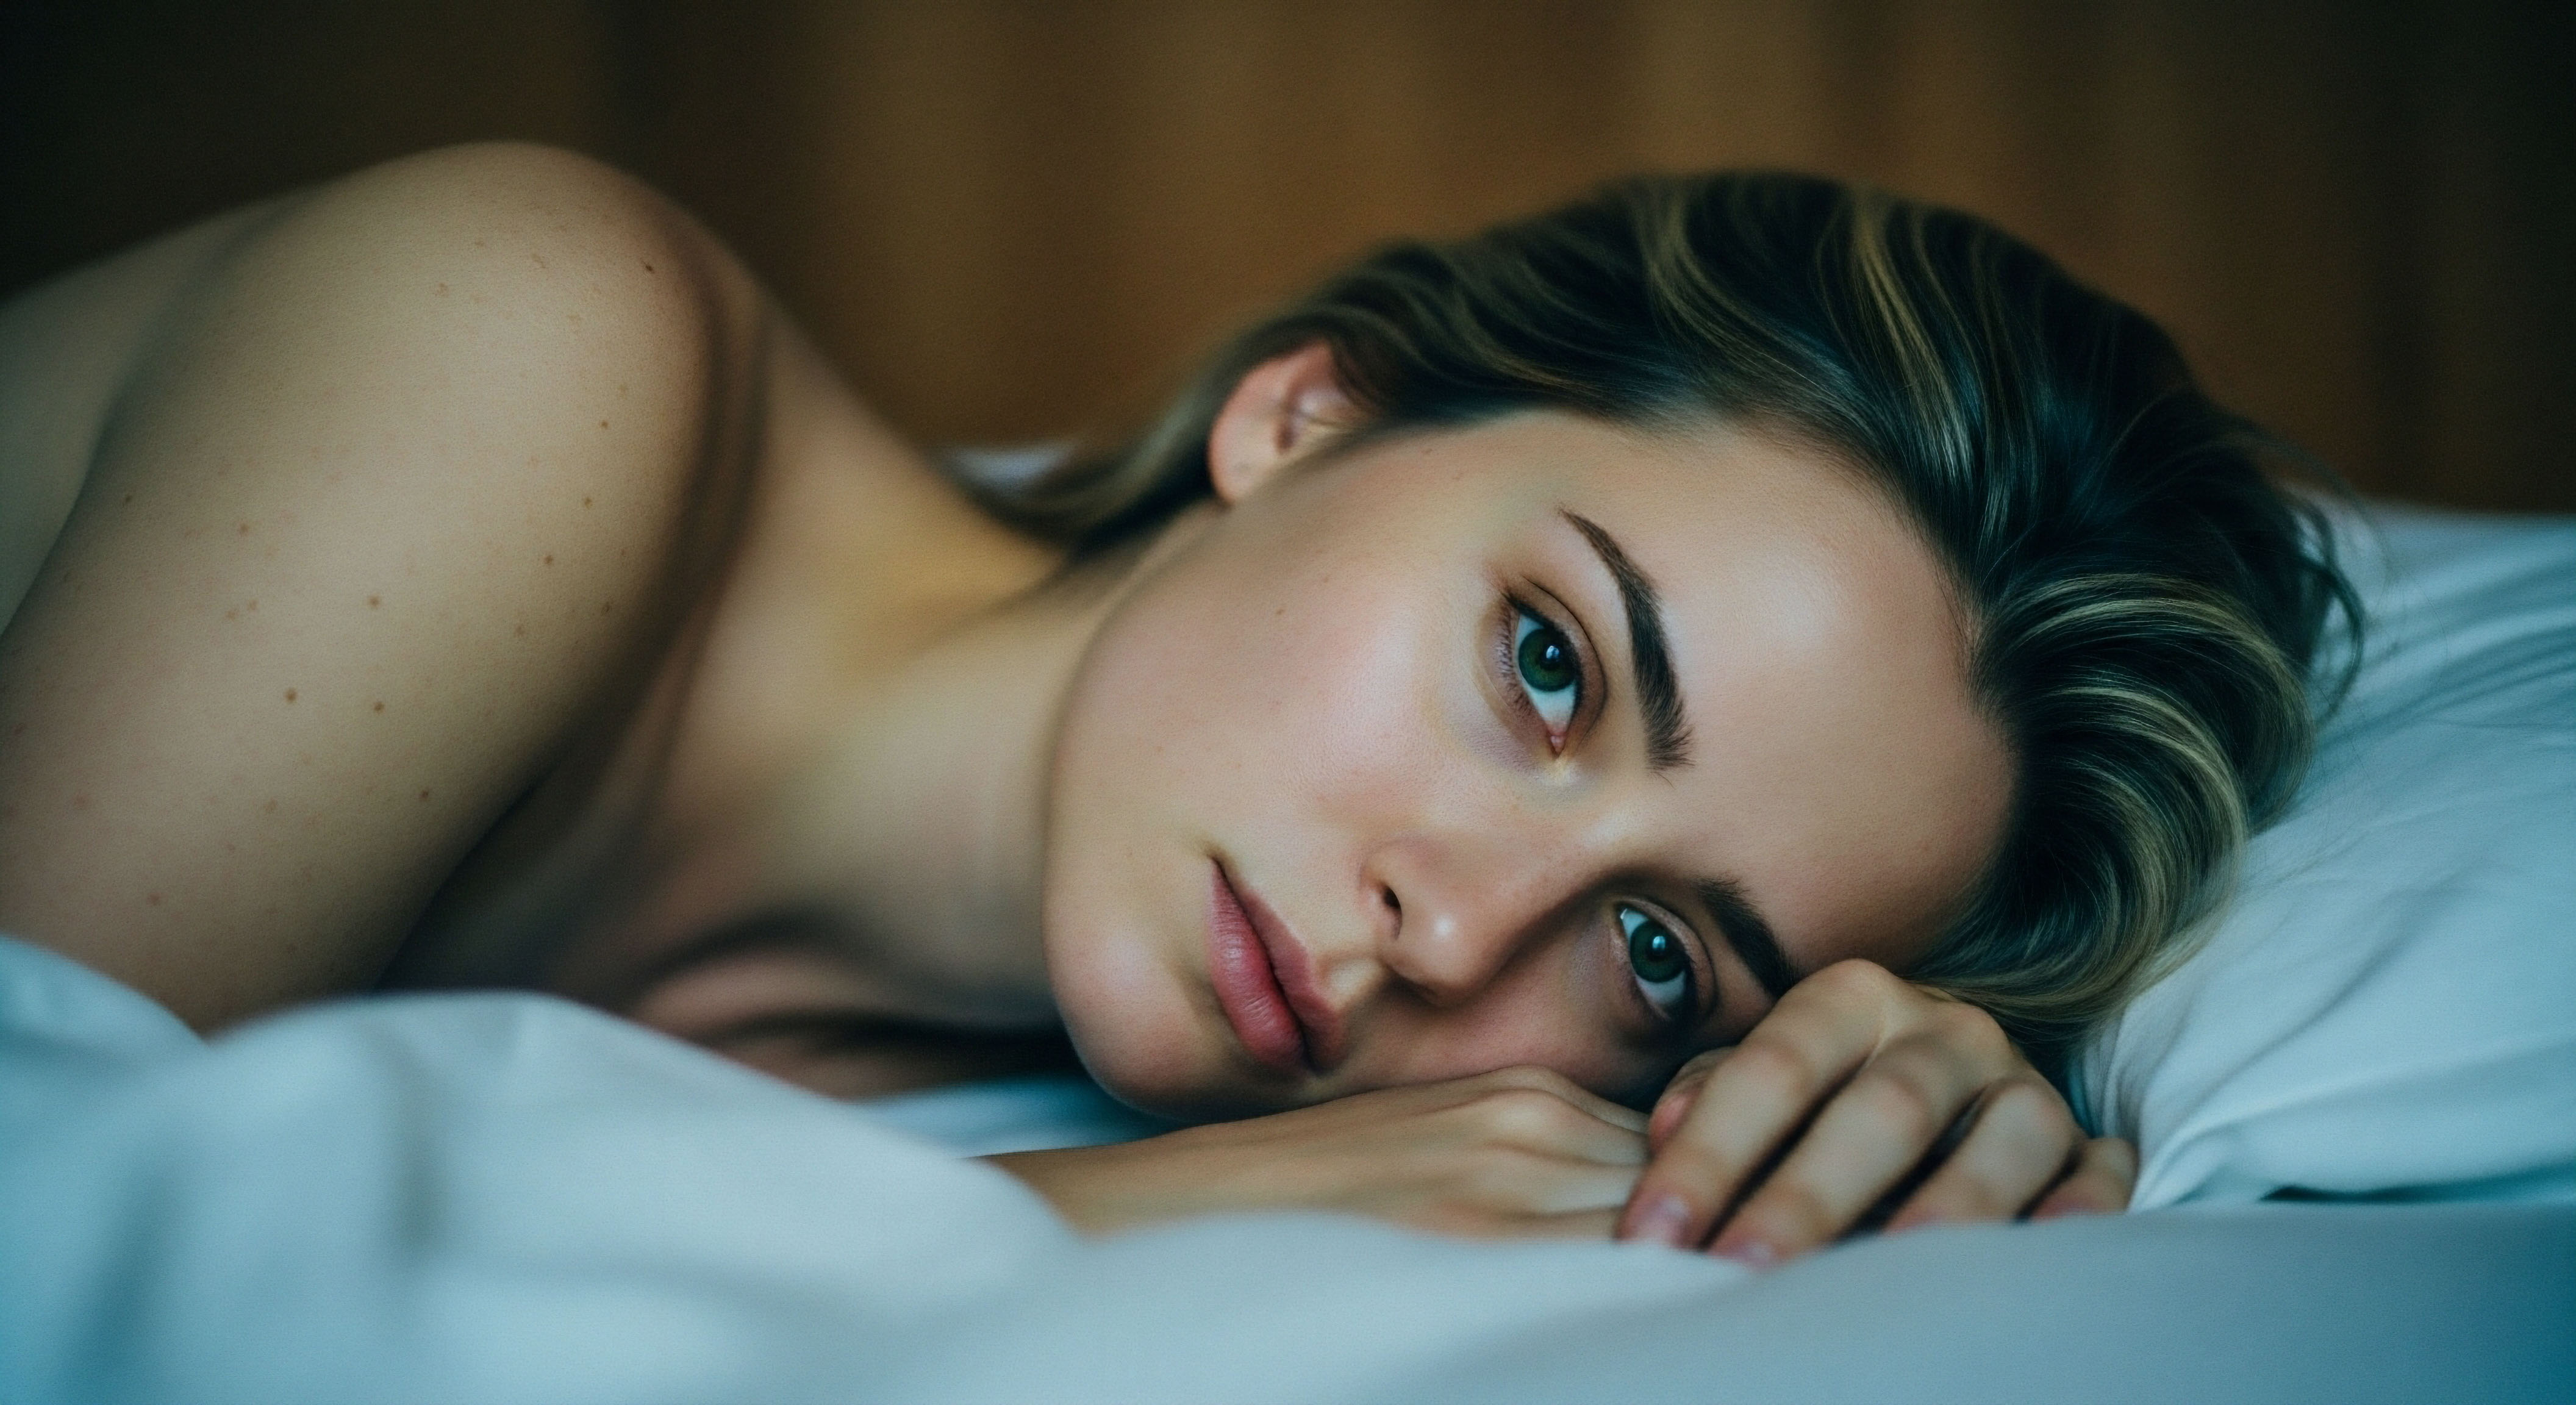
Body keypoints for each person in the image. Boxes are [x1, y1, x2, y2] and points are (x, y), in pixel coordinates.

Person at [0, 143, 2347, 1263]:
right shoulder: (535, 336)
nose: (1456, 937)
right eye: (1548, 663)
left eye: (1658, 951)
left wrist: (1879, 1110)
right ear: (1307, 417)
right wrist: (1110, 1219)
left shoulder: (1095, 1059)